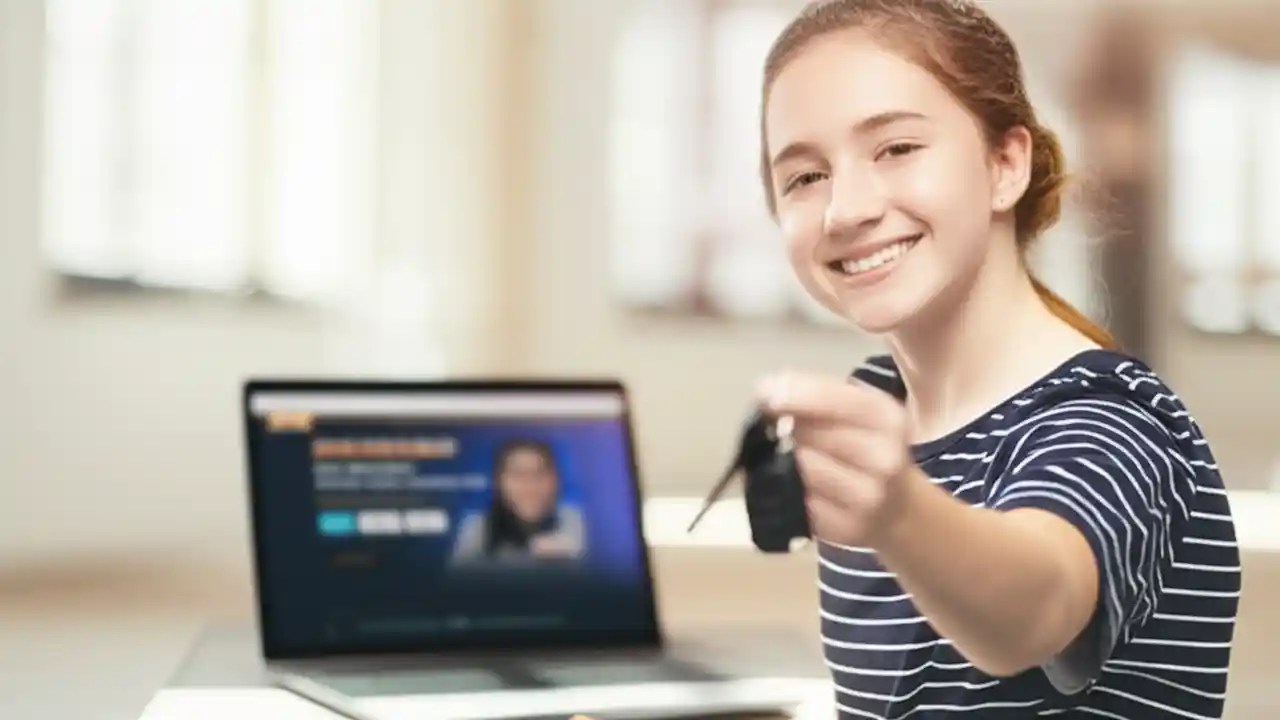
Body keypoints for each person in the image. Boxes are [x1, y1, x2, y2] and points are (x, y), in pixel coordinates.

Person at [734, 0, 1240, 717]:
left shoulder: (1119, 420)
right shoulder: (877, 405)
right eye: (804, 177)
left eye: (896, 149)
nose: (845, 209)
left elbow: (1034, 613)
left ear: (1006, 164)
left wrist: (898, 511)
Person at [451, 439, 584, 564]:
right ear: (498, 482)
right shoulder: (477, 527)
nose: (530, 484)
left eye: (540, 473)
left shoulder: (571, 521)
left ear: (555, 481)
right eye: (518, 474)